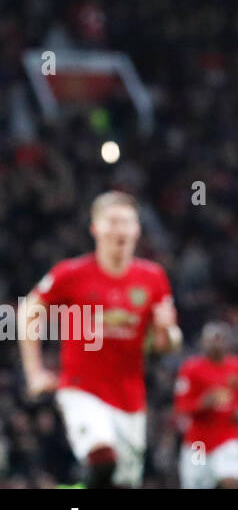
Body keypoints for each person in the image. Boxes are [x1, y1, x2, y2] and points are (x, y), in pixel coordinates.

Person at [19, 191, 181, 487]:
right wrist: (34, 372)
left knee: (122, 482)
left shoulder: (153, 277)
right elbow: (28, 311)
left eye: (126, 222)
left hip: (131, 399)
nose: (120, 229)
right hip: (82, 390)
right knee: (103, 456)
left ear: (137, 229)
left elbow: (167, 344)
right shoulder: (71, 273)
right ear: (95, 228)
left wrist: (166, 332)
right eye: (112, 221)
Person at [175, 321, 238, 488]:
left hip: (227, 437)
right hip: (198, 442)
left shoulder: (237, 367)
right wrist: (203, 403)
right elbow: (181, 406)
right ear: (203, 342)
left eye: (220, 339)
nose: (216, 343)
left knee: (232, 481)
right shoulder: (191, 368)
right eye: (212, 339)